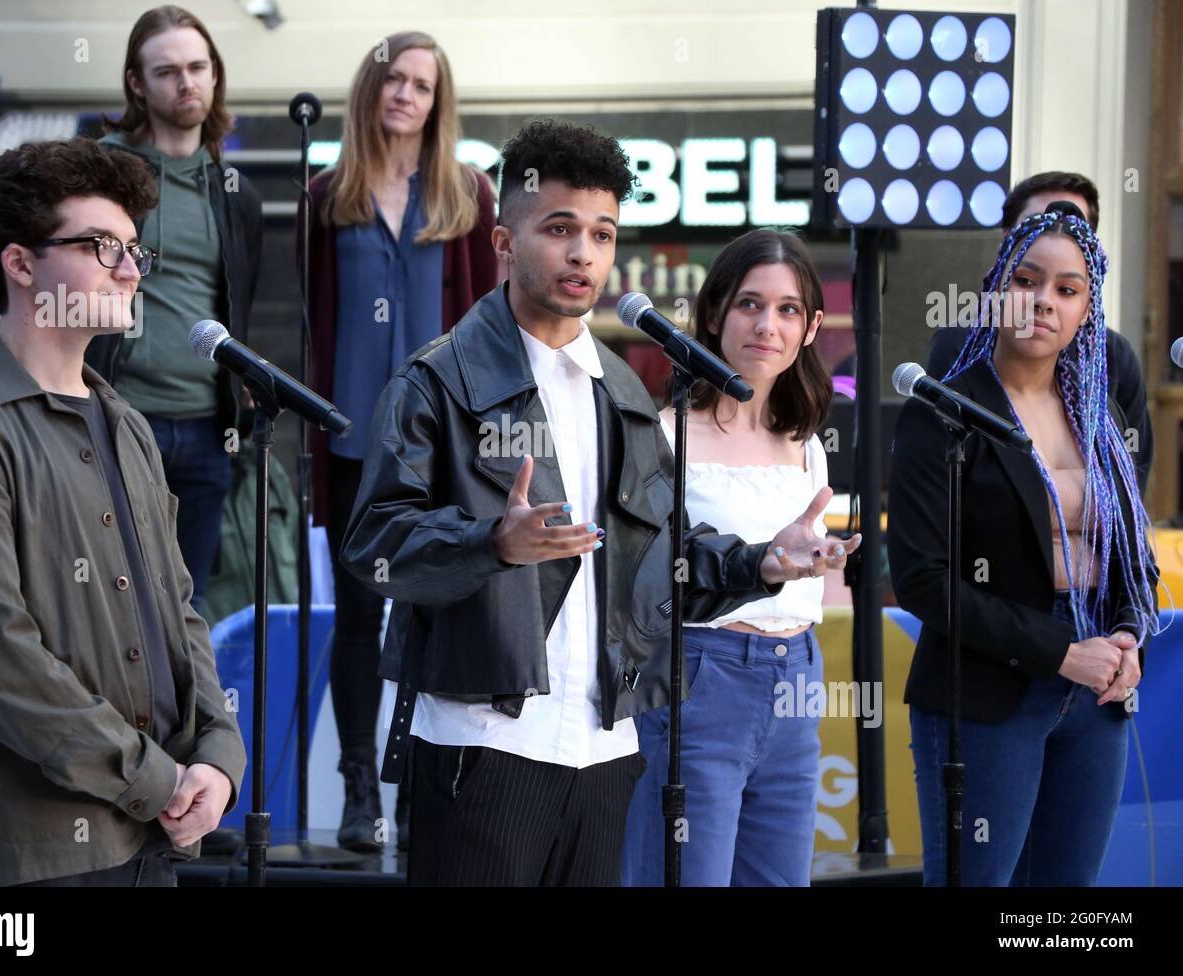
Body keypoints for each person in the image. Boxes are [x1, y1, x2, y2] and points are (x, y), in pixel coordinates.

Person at [339, 120, 859, 886]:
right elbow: (374, 541)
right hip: (485, 739)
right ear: (504, 242)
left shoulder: (622, 394)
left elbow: (667, 557)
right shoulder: (437, 381)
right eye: (559, 228)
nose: (584, 253)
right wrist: (491, 543)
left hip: (607, 747)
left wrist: (760, 562)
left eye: (602, 233)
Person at [0, 137, 246, 886]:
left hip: (156, 842)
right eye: (100, 246)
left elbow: (180, 611)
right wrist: (156, 778)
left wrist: (217, 755)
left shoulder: (130, 426)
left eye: (134, 252)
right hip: (40, 861)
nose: (129, 269)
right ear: (21, 264)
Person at [888, 200, 1159, 886]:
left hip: (1098, 688)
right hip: (987, 686)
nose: (1042, 302)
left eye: (1066, 291)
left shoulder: (1102, 417)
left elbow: (1132, 550)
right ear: (994, 287)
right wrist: (1058, 653)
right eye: (1026, 281)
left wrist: (1127, 634)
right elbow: (922, 578)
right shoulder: (943, 413)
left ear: (1086, 312)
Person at [300, 30, 498, 852]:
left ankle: (413, 782)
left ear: (436, 101)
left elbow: (489, 327)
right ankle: (356, 790)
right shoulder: (325, 195)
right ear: (370, 90)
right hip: (350, 439)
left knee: (423, 621)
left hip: (440, 443)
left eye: (421, 83)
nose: (405, 94)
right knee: (356, 618)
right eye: (392, 79)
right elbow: (313, 323)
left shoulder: (469, 195)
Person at [621, 228, 836, 886]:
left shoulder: (805, 441)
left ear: (811, 327)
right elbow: (647, 579)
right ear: (713, 314)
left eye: (787, 309)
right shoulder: (664, 434)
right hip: (698, 673)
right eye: (748, 304)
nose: (766, 324)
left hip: (795, 675)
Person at [86, 4, 264, 612]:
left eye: (197, 67)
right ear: (136, 83)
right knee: (109, 606)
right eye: (166, 71)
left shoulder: (235, 194)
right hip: (113, 417)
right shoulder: (98, 176)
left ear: (214, 74)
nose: (185, 82)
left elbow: (237, 304)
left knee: (187, 609)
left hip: (206, 429)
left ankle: (185, 715)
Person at [927, 171, 1151, 493]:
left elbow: (1132, 483)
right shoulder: (958, 345)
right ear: (1007, 243)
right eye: (1037, 224)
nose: (1053, 233)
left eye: (1072, 227)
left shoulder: (1114, 359)